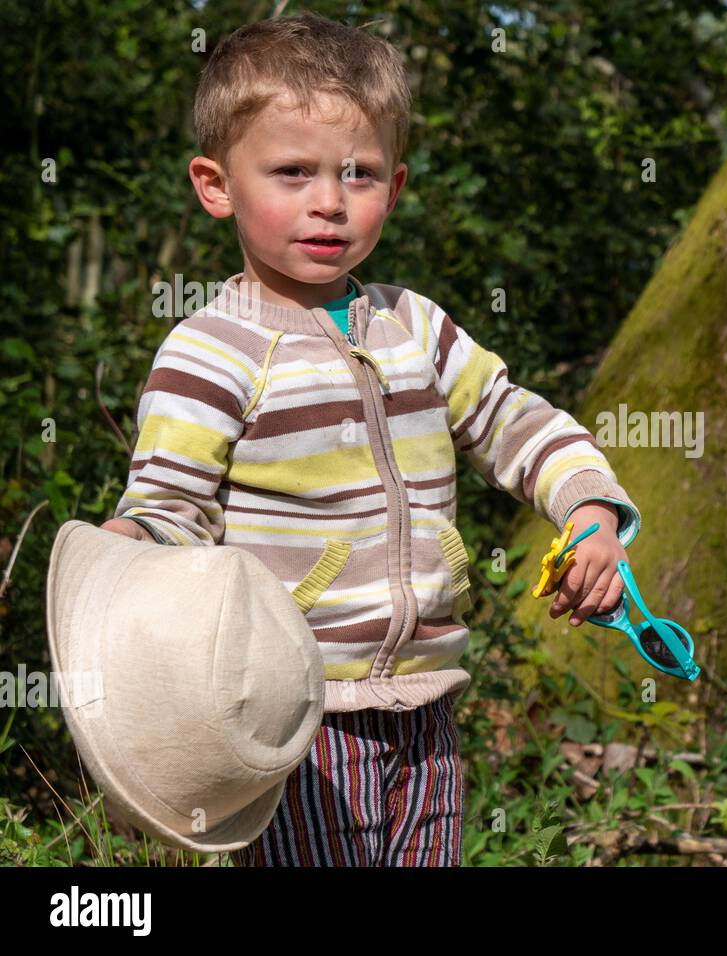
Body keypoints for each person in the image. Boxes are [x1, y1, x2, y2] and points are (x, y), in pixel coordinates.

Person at [100, 11, 642, 866]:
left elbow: (512, 417)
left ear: (393, 188)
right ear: (216, 185)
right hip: (290, 720)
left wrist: (590, 509)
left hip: (425, 708)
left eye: (359, 174)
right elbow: (171, 511)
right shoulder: (211, 348)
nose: (328, 200)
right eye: (292, 172)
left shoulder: (415, 327)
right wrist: (119, 562)